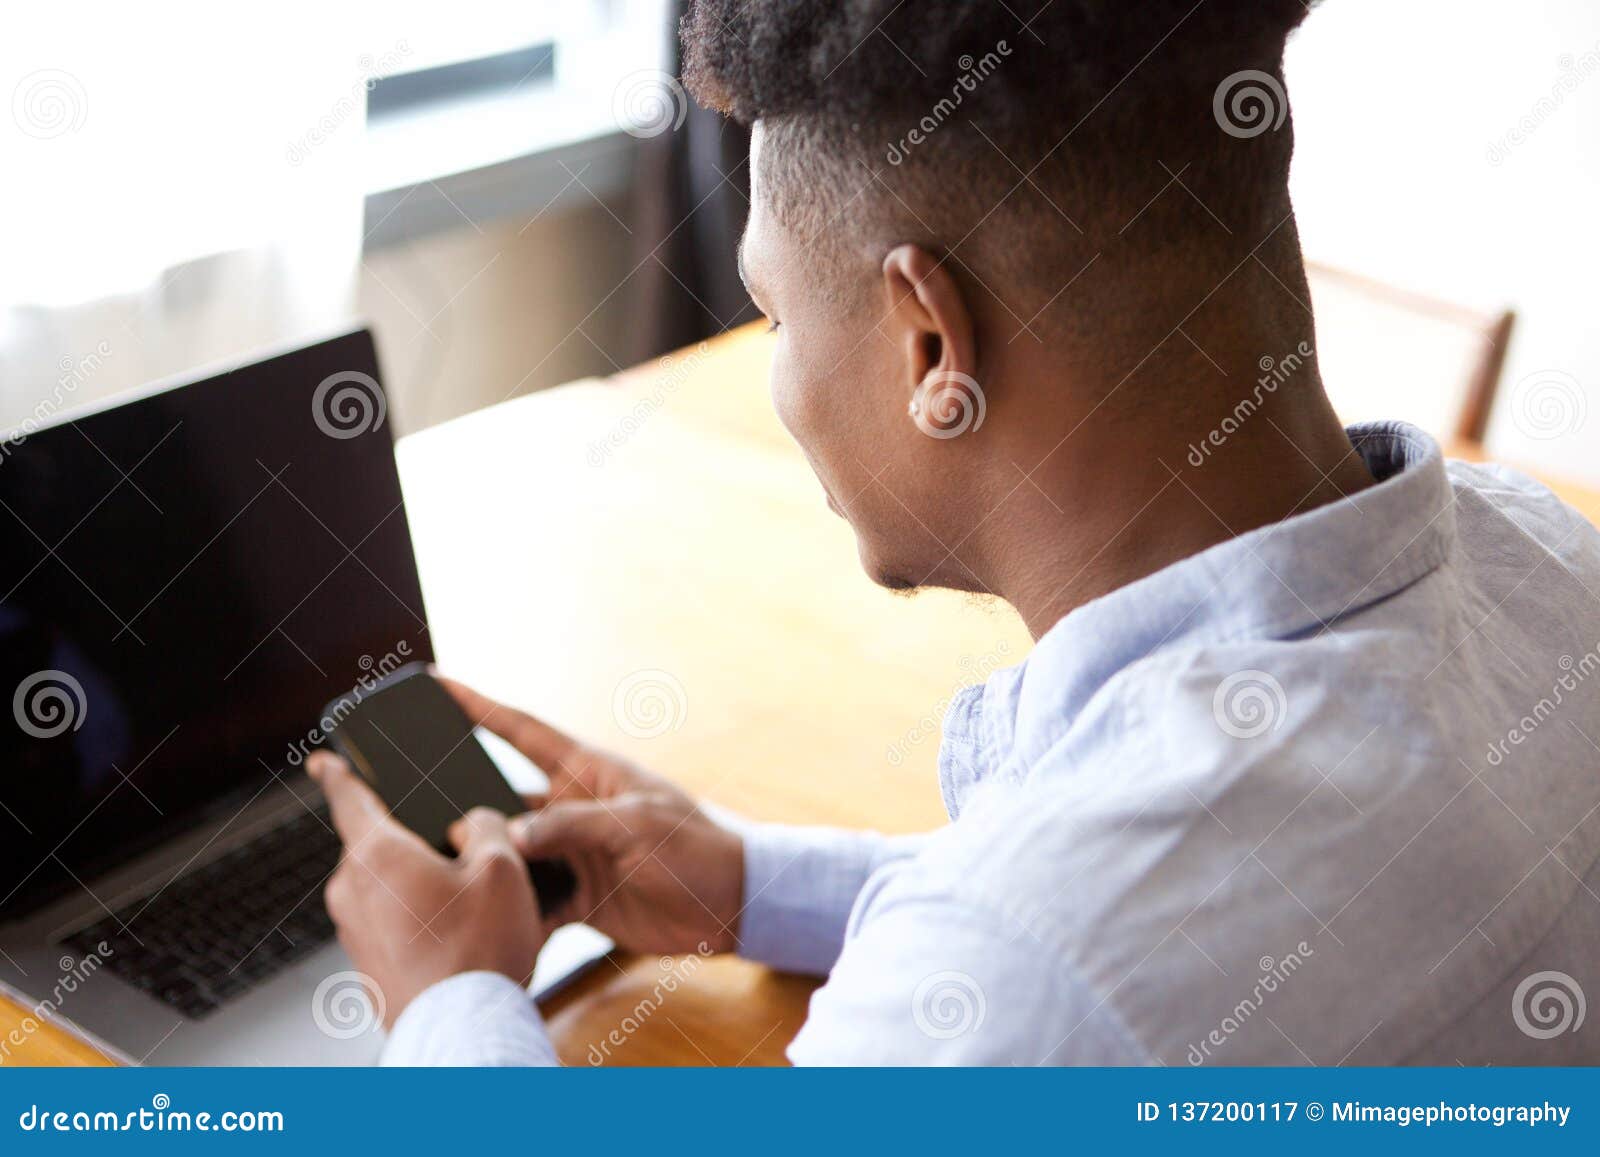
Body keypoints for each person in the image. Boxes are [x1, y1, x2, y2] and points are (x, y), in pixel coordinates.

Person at [306, 0, 1600, 1064]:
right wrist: (754, 882)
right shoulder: (1549, 557)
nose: (778, 374)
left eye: (774, 314)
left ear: (931, 345)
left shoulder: (1030, 976)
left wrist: (448, 1000)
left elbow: (1062, 957)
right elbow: (1158, 905)